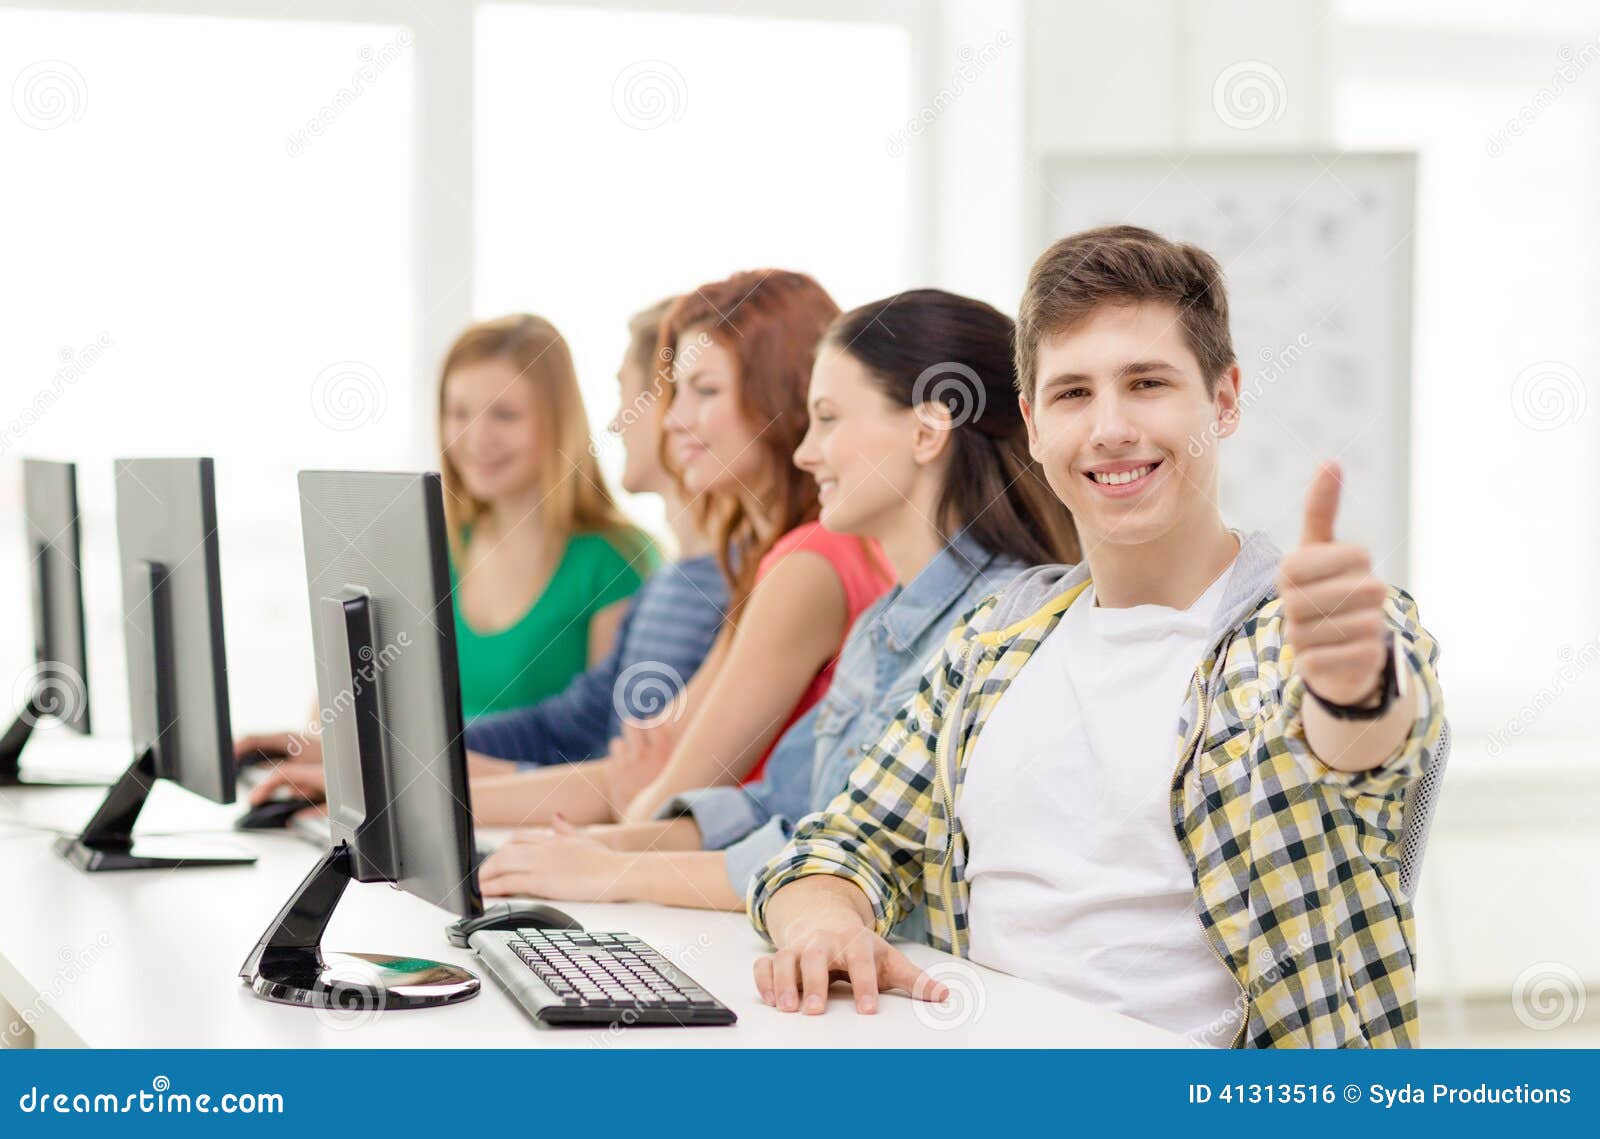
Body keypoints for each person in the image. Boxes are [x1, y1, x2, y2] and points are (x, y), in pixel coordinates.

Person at [747, 226, 1446, 1049]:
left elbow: (1363, 733)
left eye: (1147, 383)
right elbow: (842, 838)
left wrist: (1354, 682)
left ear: (1223, 401)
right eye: (1073, 393)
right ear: (1035, 427)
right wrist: (823, 919)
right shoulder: (996, 642)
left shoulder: (1310, 632)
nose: (1110, 428)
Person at [475, 289, 1080, 910]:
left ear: (927, 431)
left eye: (828, 418)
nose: (804, 450)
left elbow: (851, 859)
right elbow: (779, 803)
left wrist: (610, 869)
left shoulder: (997, 629)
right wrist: (602, 849)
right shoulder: (881, 624)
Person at [244, 301, 730, 803]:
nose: (477, 438)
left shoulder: (623, 562)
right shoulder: (424, 549)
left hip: (513, 816)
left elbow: (601, 756)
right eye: (459, 413)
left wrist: (401, 777)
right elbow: (352, 704)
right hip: (460, 803)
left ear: (558, 421)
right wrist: (344, 755)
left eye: (504, 413)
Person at [469, 269, 892, 829]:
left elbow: (664, 796)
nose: (674, 419)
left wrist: (632, 807)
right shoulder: (771, 563)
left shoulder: (808, 563)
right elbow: (653, 760)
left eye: (706, 391)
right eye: (676, 393)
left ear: (779, 392)